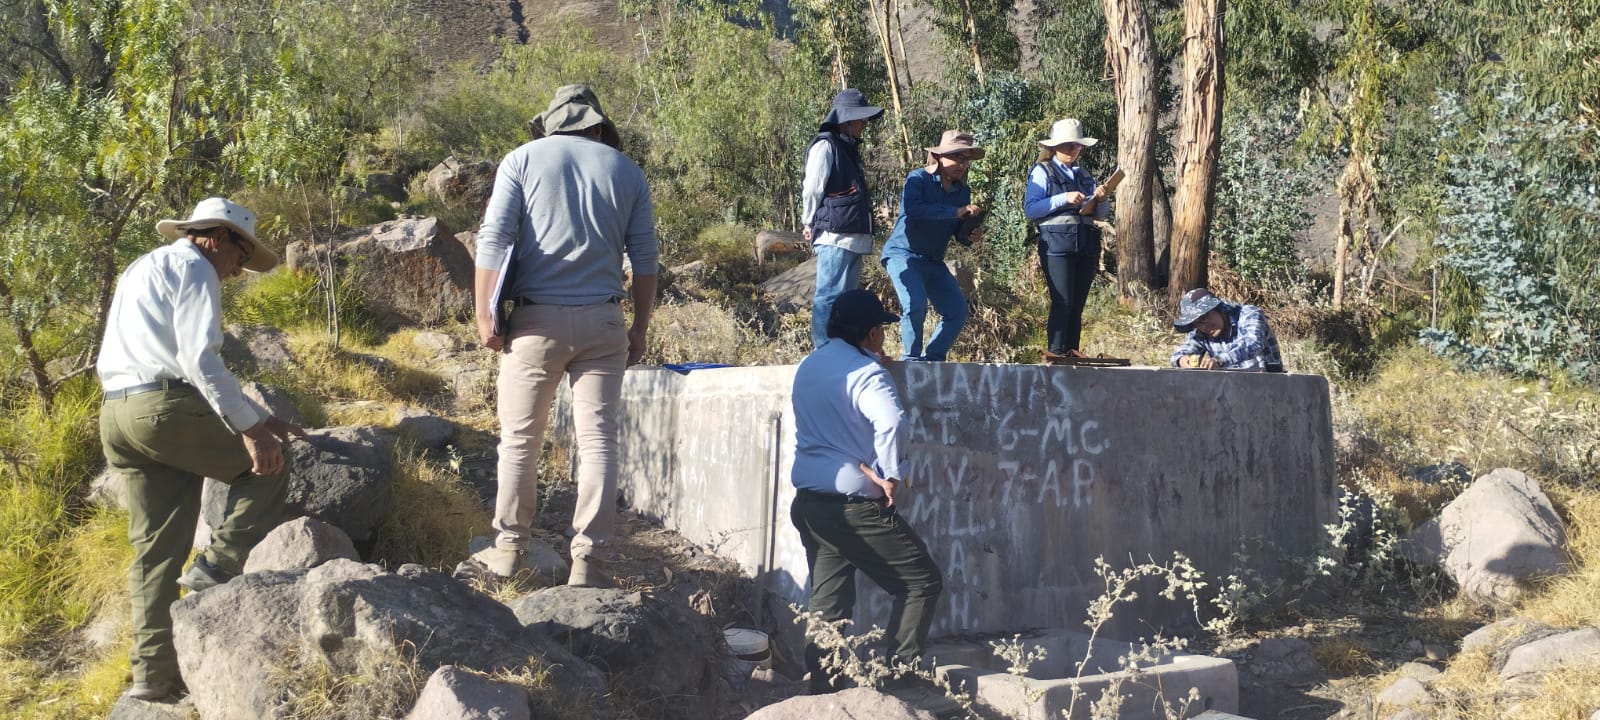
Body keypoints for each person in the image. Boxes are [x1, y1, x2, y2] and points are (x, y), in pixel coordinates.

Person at [98, 197, 307, 701]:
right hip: (163, 410)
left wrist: (257, 416)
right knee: (270, 466)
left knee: (155, 553)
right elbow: (198, 359)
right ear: (217, 237)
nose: (239, 270)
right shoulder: (196, 266)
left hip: (117, 416)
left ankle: (154, 677)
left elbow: (162, 354)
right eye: (241, 255)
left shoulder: (141, 266)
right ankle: (214, 571)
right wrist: (254, 433)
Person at [473, 84, 658, 588]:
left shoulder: (520, 161)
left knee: (519, 442)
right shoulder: (627, 171)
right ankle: (588, 563)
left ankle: (510, 550)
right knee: (598, 442)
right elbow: (645, 263)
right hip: (603, 324)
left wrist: (483, 314)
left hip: (535, 324)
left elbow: (493, 238)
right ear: (597, 127)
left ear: (553, 124)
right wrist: (639, 327)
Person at [790, 289, 944, 694]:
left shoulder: (810, 365)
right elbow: (891, 422)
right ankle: (900, 681)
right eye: (882, 331)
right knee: (920, 582)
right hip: (853, 509)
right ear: (873, 333)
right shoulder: (867, 373)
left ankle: (825, 692)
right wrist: (892, 474)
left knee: (829, 605)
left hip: (810, 504)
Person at [880, 130, 985, 361]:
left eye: (966, 159)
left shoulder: (962, 191)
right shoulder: (917, 179)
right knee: (915, 304)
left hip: (933, 261)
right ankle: (911, 361)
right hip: (903, 255)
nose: (962, 164)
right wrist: (956, 211)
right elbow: (915, 211)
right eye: (956, 157)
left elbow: (958, 233)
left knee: (957, 312)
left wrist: (970, 234)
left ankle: (933, 359)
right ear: (939, 157)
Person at [802, 88, 885, 350]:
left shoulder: (847, 149)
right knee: (828, 296)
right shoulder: (826, 146)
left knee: (847, 300)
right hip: (835, 235)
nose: (863, 124)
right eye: (860, 119)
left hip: (852, 237)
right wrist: (808, 221)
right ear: (847, 120)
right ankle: (823, 348)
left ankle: (843, 350)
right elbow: (813, 187)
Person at [1025, 118, 1111, 362]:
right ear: (1055, 147)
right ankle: (1056, 352)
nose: (1073, 150)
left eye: (1076, 146)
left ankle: (1073, 352)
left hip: (1085, 245)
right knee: (1062, 301)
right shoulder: (1041, 171)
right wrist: (1064, 198)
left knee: (1077, 303)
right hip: (1056, 245)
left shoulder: (1084, 174)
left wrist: (1101, 199)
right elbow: (1031, 209)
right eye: (1067, 145)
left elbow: (1100, 215)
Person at [1170, 288, 1285, 372]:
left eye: (1205, 317)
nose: (1204, 326)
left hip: (1269, 385)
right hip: (1230, 389)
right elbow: (1184, 350)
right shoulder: (1200, 331)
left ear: (1217, 308)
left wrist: (1220, 360)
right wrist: (1182, 360)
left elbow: (1253, 344)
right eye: (1197, 323)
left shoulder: (1249, 314)